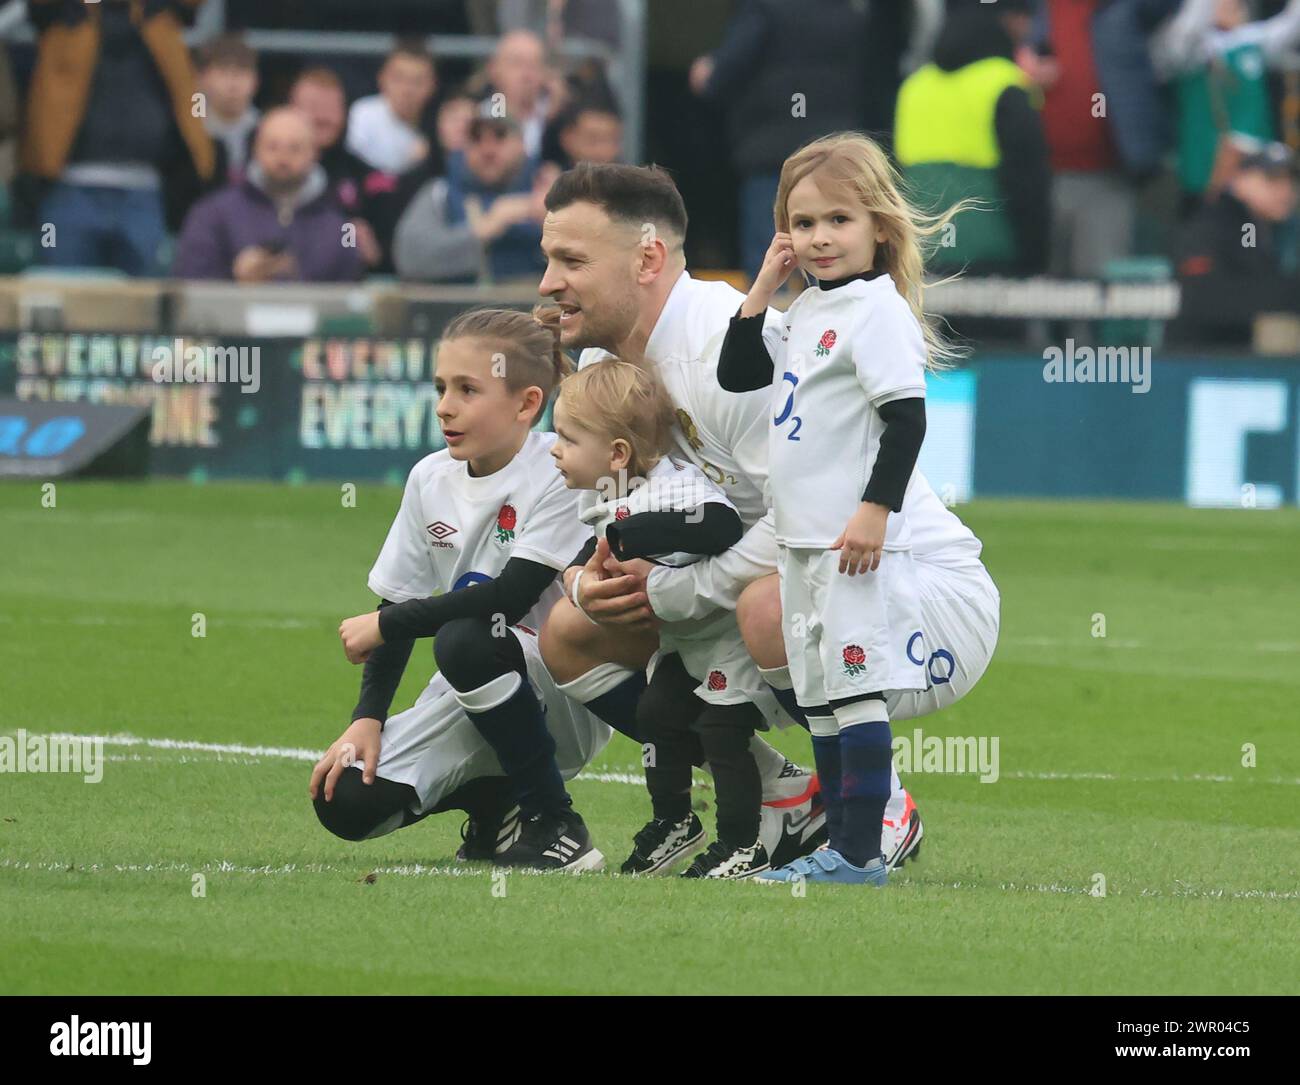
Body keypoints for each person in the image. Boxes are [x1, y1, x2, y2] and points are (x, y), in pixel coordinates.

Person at [538, 161, 1000, 873]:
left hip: (914, 588)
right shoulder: (607, 365)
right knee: (572, 630)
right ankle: (790, 794)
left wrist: (673, 594)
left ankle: (880, 809)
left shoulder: (718, 342)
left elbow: (801, 513)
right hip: (798, 573)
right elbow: (602, 515)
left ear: (648, 259)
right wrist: (582, 578)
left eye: (570, 260)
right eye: (548, 260)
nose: (548, 282)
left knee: (762, 605)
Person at [717, 132, 969, 887]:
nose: (819, 237)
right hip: (799, 543)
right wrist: (763, 285)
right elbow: (737, 374)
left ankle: (860, 854)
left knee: (855, 685)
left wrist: (874, 513)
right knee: (822, 694)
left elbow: (908, 420)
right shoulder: (804, 309)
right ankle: (841, 846)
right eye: (803, 223)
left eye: (838, 220)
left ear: (878, 227)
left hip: (846, 542)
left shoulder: (875, 311)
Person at [313, 307, 612, 872]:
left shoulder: (559, 470)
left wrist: (385, 625)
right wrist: (367, 717)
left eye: (468, 390)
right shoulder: (429, 477)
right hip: (472, 684)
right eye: (441, 387)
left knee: (468, 635)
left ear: (527, 403)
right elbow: (399, 594)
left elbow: (509, 597)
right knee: (345, 797)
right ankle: (495, 803)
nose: (445, 406)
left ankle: (553, 820)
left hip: (560, 693)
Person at [551, 360, 779, 878]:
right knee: (656, 714)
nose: (553, 448)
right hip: (683, 643)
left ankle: (742, 844)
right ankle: (675, 820)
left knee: (722, 730)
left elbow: (718, 526)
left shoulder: (674, 486)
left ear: (617, 453)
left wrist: (629, 537)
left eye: (566, 437)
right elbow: (592, 549)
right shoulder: (610, 496)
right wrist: (577, 581)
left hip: (727, 636)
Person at [21, 0, 216, 275]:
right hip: (67, 190)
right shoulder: (62, 13)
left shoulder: (162, 14)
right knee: (61, 296)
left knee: (144, 306)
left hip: (145, 192)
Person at [893, 0, 1050, 275]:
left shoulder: (913, 87)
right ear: (1008, 20)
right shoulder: (1008, 84)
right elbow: (1027, 183)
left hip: (922, 262)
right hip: (994, 263)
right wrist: (1036, 259)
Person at [173, 108, 363, 283]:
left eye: (295, 148)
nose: (283, 157)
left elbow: (350, 300)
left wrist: (297, 281)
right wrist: (235, 278)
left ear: (314, 153)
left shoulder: (340, 227)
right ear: (256, 149)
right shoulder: (211, 213)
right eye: (272, 146)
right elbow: (188, 284)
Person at [392, 107, 554, 284]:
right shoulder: (441, 193)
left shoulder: (555, 191)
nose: (488, 150)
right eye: (476, 139)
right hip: (466, 309)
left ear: (522, 143)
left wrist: (556, 220)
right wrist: (482, 231)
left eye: (500, 136)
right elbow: (409, 258)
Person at [1174, 138, 1300, 345]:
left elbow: (1254, 272)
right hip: (1199, 358)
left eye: (1290, 180)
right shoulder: (1216, 221)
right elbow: (1203, 296)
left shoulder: (1254, 225)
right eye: (1272, 179)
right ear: (1239, 180)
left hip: (1238, 353)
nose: (1285, 190)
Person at [346, 40, 438, 174]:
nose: (407, 90)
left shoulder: (438, 127)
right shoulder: (363, 113)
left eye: (417, 81)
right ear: (381, 78)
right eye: (399, 78)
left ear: (432, 85)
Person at [196, 34, 260, 179]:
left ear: (256, 80)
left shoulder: (268, 130)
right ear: (202, 79)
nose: (233, 84)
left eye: (242, 73)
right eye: (223, 73)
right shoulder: (190, 132)